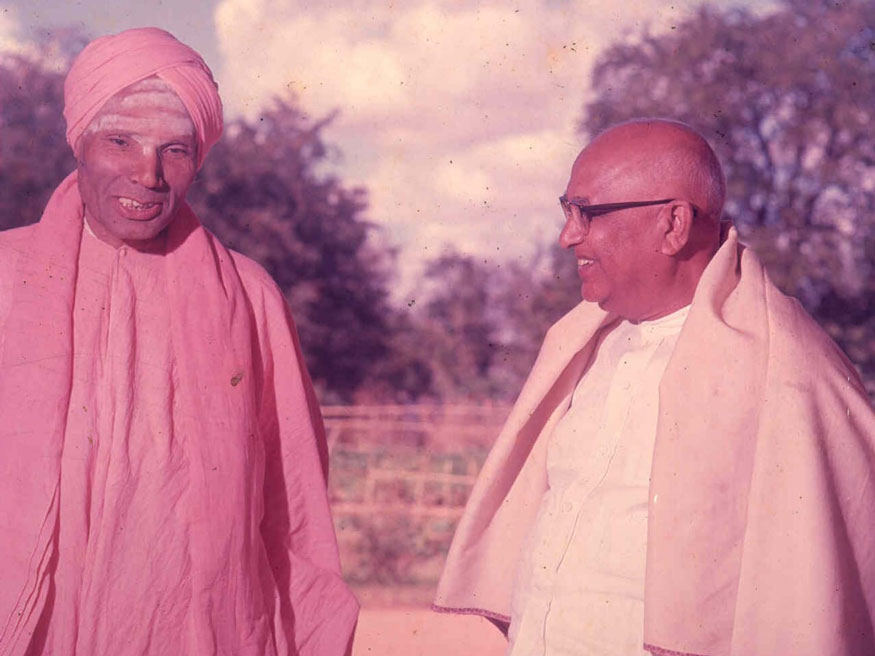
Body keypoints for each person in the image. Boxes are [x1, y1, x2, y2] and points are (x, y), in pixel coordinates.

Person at [434, 119, 875, 655]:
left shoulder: (791, 372)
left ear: (673, 224)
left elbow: (812, 600)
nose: (568, 235)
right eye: (566, 211)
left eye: (587, 213)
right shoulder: (580, 348)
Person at [0, 27, 358, 655]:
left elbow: (292, 510)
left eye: (176, 149)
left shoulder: (250, 296)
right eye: (120, 141)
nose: (148, 173)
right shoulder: (7, 274)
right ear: (79, 142)